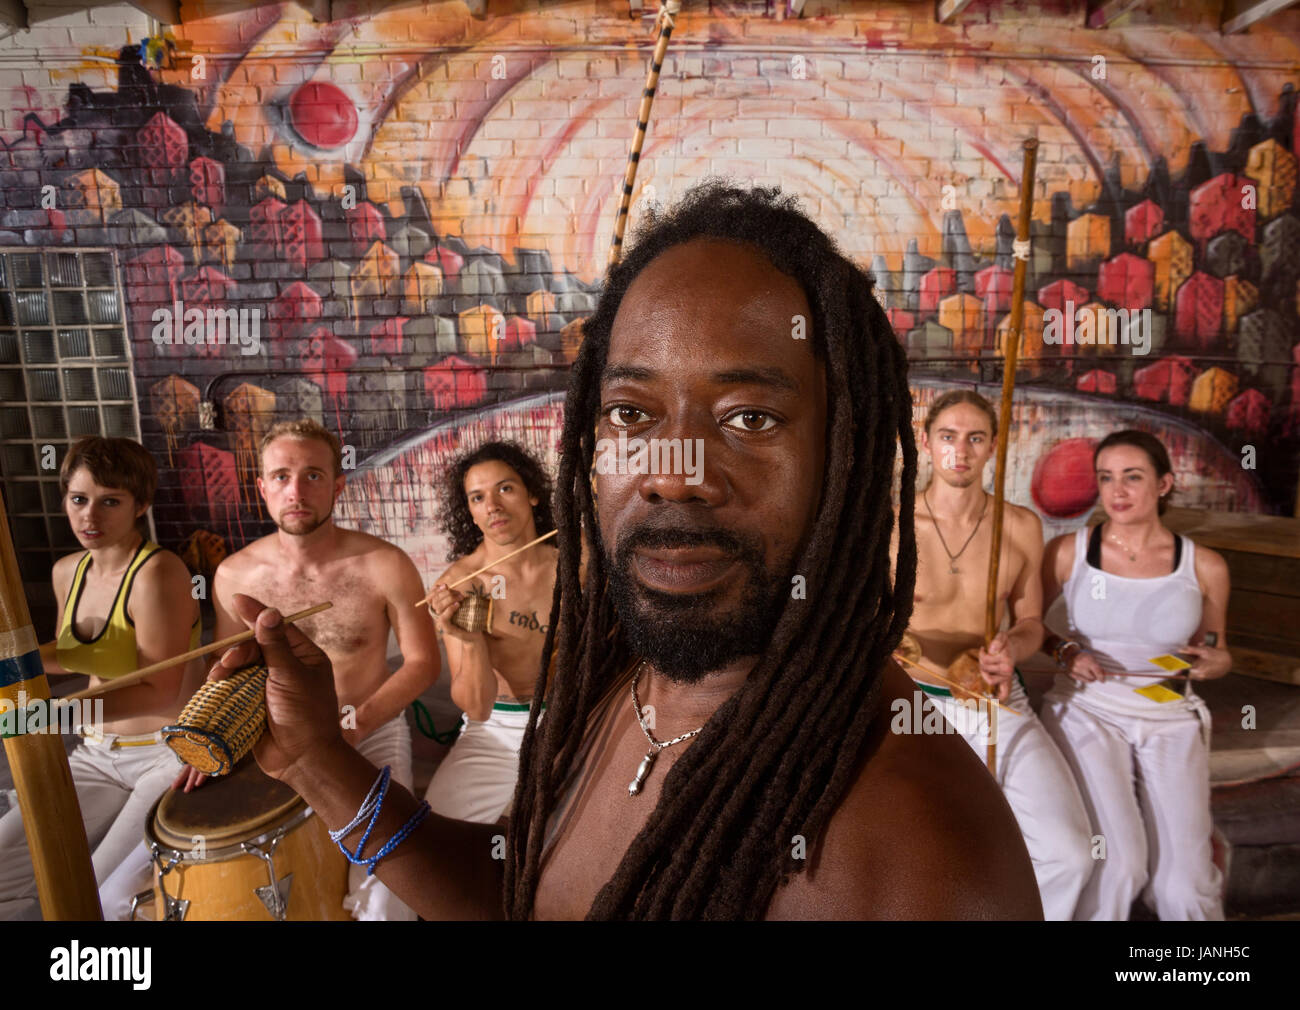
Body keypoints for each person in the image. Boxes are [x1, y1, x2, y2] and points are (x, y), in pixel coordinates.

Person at [205, 182, 1041, 920]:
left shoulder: (926, 861)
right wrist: (315, 756)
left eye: (749, 418)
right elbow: (521, 890)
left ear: (847, 457)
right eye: (633, 416)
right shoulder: (618, 680)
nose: (673, 478)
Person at [106, 418, 440, 921]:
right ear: (261, 487)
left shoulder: (385, 564)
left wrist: (357, 724)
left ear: (338, 483)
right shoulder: (236, 574)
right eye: (281, 476)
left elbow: (422, 663)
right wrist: (207, 736)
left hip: (366, 729)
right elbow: (228, 668)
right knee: (116, 894)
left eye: (313, 475)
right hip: (269, 732)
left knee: (384, 901)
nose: (296, 490)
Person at [900, 390, 1093, 920]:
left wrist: (1013, 648)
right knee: (935, 853)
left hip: (994, 702)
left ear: (993, 448)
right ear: (926, 443)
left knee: (1070, 854)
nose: (960, 451)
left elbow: (1032, 623)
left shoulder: (1022, 526)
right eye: (947, 437)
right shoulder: (890, 526)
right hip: (914, 707)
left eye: (975, 438)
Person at [0, 436, 199, 920]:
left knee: (95, 894)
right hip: (96, 753)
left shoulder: (159, 573)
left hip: (165, 753)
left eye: (110, 502)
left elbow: (160, 689)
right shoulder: (68, 570)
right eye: (79, 499)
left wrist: (55, 713)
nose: (90, 517)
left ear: (140, 506)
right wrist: (9, 662)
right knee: (5, 870)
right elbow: (78, 655)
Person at [1039, 430, 1232, 920]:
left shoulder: (1204, 566)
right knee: (1118, 863)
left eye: (1132, 478)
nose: (1117, 491)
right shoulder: (1068, 552)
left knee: (1184, 887)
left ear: (1165, 484)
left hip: (1169, 712)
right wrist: (1064, 653)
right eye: (1106, 478)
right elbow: (1028, 629)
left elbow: (1214, 648)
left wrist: (1213, 662)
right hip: (1087, 709)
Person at [423, 441, 558, 824]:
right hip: (496, 731)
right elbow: (476, 708)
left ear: (532, 494)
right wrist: (469, 639)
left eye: (505, 488)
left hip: (576, 722)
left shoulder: (578, 562)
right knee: (441, 845)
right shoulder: (461, 585)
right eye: (477, 497)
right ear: (470, 512)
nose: (493, 506)